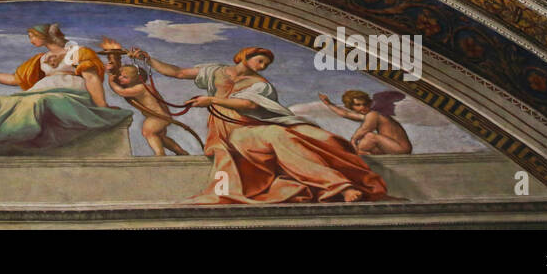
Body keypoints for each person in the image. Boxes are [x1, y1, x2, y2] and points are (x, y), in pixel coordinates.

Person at [129, 45, 388, 203]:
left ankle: (340, 186)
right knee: (279, 138)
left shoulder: (260, 85)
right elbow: (176, 72)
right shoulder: (215, 71)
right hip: (227, 133)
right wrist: (148, 59)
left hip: (246, 127)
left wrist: (209, 99)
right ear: (245, 56)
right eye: (259, 60)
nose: (262, 66)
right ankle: (338, 185)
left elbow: (251, 106)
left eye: (265, 64)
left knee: (290, 136)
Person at [0, 23, 128, 163]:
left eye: (31, 36)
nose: (30, 39)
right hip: (37, 95)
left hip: (69, 98)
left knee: (34, 104)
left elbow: (91, 78)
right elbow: (15, 80)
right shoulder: (41, 59)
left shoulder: (78, 52)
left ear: (43, 35)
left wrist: (101, 107)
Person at [318, 91, 412, 155]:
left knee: (370, 136)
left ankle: (357, 154)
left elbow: (365, 129)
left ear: (369, 103)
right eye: (358, 105)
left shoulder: (374, 114)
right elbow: (346, 114)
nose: (362, 107)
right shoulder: (370, 115)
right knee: (369, 147)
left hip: (400, 148)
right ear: (351, 106)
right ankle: (358, 153)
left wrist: (354, 140)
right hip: (389, 147)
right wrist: (329, 104)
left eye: (365, 104)